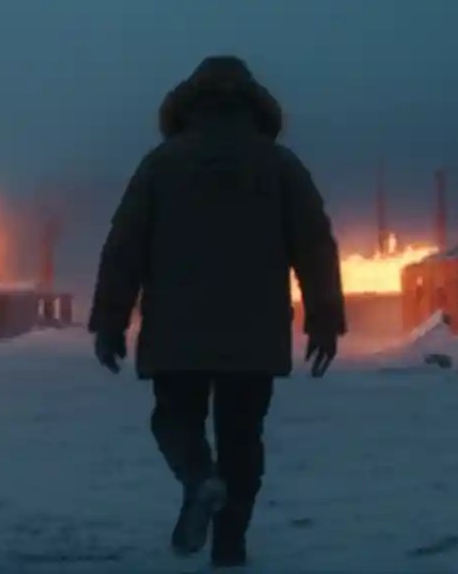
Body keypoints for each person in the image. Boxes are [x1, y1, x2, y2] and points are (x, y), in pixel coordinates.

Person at [88, 55, 346, 568]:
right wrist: (323, 319)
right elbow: (315, 246)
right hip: (255, 332)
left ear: (189, 103)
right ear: (253, 104)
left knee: (174, 419)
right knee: (242, 438)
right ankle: (230, 547)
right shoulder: (280, 165)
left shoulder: (161, 164)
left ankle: (198, 479)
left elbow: (124, 247)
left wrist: (110, 321)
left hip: (176, 330)